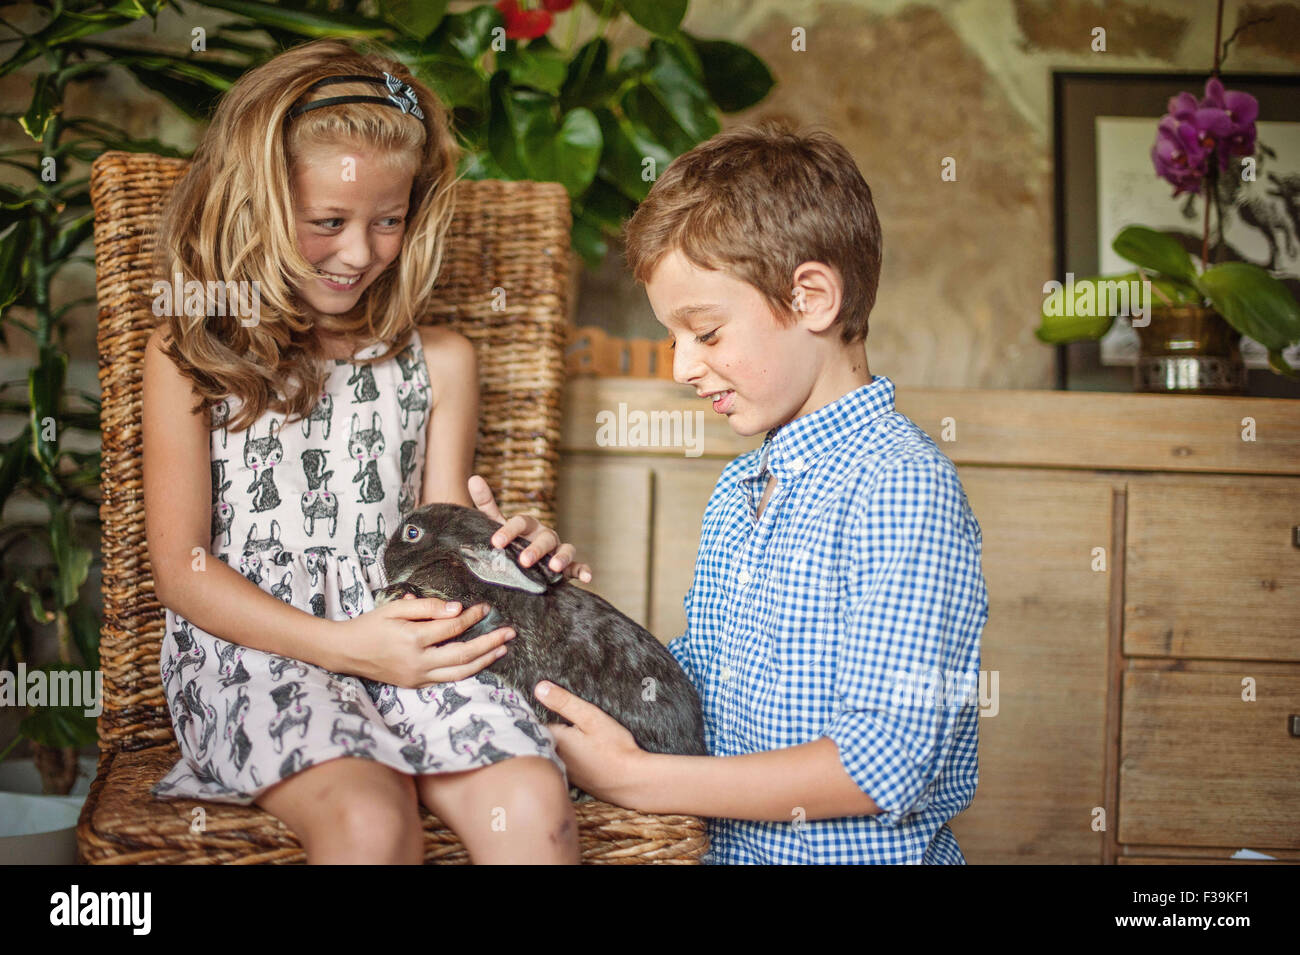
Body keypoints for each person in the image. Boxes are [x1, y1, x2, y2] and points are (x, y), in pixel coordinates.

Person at [142, 38, 592, 864]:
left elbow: (447, 530)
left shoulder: (441, 361)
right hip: (260, 649)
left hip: (414, 636)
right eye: (328, 222)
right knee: (371, 822)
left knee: (536, 805)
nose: (359, 253)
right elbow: (181, 569)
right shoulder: (190, 353)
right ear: (258, 204)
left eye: (389, 220)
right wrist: (345, 645)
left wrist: (515, 553)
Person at [533, 121, 990, 864]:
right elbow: (697, 685)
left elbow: (885, 761)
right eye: (673, 337)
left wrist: (648, 781)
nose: (681, 365)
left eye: (705, 333)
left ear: (811, 297)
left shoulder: (900, 488)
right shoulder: (743, 486)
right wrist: (547, 610)